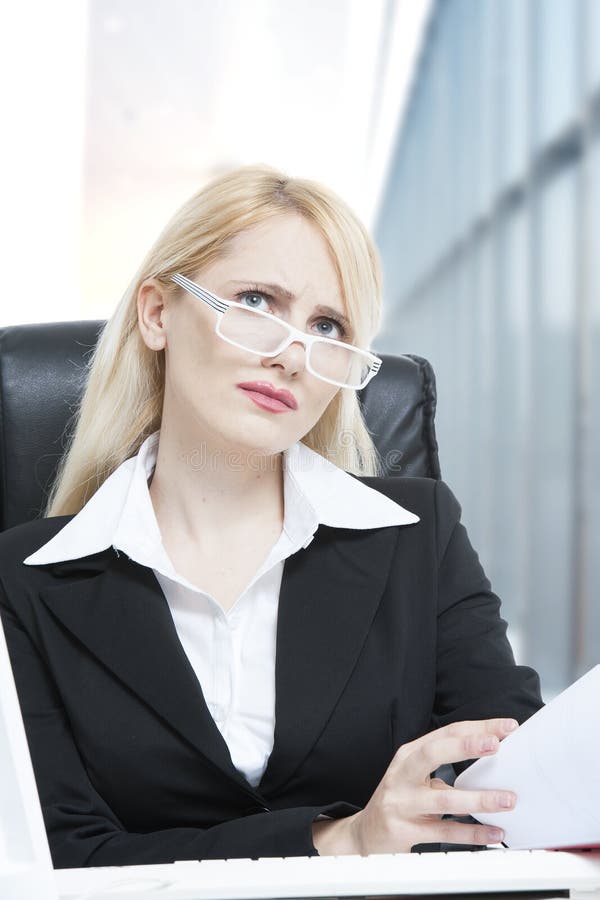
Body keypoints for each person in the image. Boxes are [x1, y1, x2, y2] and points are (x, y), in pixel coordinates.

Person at [0, 164, 543, 869]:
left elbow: (512, 779)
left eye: (327, 325)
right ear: (158, 313)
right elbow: (57, 855)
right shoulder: (25, 580)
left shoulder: (419, 534)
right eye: (256, 300)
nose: (293, 354)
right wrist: (337, 841)